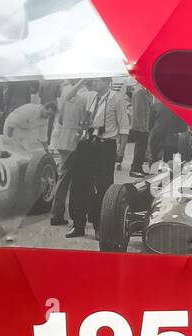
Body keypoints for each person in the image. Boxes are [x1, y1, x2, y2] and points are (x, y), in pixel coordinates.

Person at [65, 76, 129, 239]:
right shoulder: (90, 96)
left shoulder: (117, 99)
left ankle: (99, 225)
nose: (94, 83)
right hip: (86, 143)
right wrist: (82, 80)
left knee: (103, 186)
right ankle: (78, 225)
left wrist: (121, 150)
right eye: (93, 81)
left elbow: (124, 126)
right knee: (79, 184)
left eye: (97, 81)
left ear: (107, 82)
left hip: (105, 145)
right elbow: (69, 97)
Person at [49, 79, 92, 227]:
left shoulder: (65, 100)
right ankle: (57, 215)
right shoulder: (84, 99)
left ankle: (57, 213)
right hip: (74, 140)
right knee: (68, 179)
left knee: (63, 177)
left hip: (62, 139)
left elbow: (60, 120)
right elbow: (86, 121)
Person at [128, 82, 153, 177]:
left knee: (142, 148)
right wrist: (142, 126)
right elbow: (138, 111)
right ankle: (134, 169)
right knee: (140, 148)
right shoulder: (140, 92)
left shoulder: (143, 91)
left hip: (143, 126)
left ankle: (138, 168)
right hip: (141, 127)